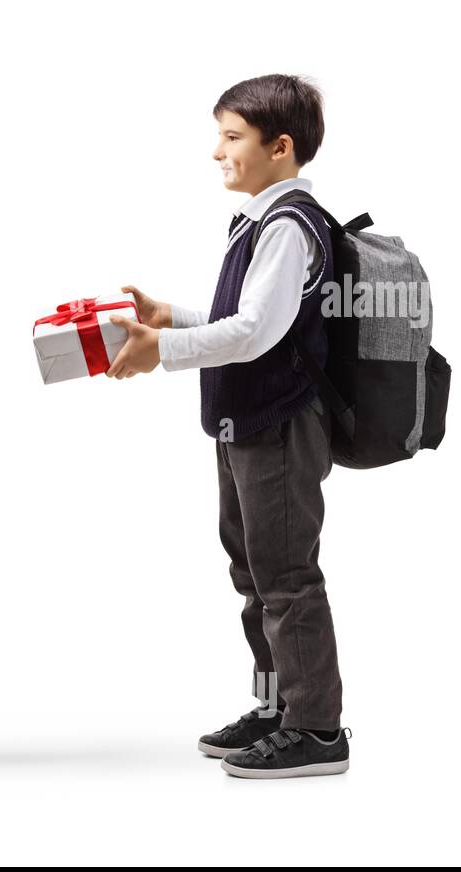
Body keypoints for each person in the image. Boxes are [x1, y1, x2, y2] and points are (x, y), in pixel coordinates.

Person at [104, 74, 350, 779]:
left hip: (277, 425)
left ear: (280, 147)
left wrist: (164, 353)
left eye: (231, 137)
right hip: (246, 423)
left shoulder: (289, 225)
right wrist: (169, 318)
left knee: (286, 577)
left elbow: (256, 333)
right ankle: (279, 707)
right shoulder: (262, 219)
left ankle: (317, 729)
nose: (217, 151)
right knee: (254, 573)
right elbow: (243, 321)